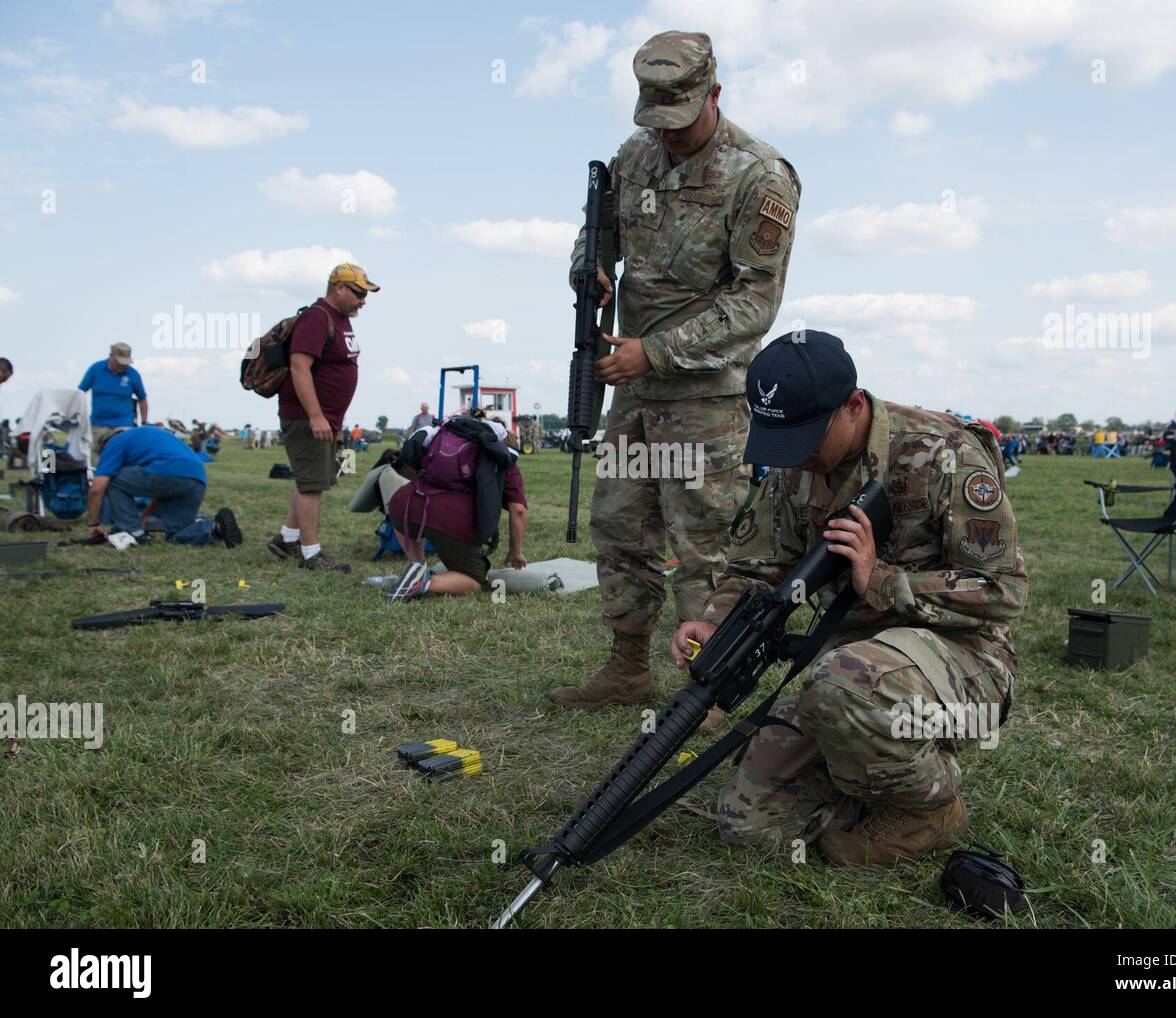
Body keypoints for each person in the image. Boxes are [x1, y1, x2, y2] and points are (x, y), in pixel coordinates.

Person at [670, 331, 1027, 866]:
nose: (797, 458)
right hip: (845, 664)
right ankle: (866, 768)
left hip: (964, 658)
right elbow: (757, 565)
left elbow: (1004, 591)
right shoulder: (797, 464)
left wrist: (880, 578)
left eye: (808, 438)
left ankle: (930, 806)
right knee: (749, 821)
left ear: (854, 405)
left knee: (845, 684)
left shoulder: (945, 455)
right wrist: (716, 622)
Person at [550, 30, 802, 711]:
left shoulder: (760, 176)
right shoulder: (633, 157)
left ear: (713, 95)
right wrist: (591, 271)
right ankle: (628, 667)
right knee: (621, 529)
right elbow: (595, 236)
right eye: (654, 119)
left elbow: (754, 301)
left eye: (679, 120)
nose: (666, 135)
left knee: (706, 546)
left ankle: (712, 685)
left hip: (707, 397)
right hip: (633, 392)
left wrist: (654, 352)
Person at [266, 262, 378, 572]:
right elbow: (299, 367)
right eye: (358, 293)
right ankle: (310, 554)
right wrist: (315, 416)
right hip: (306, 418)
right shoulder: (317, 318)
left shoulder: (339, 319)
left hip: (327, 418)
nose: (363, 300)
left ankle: (286, 539)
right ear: (339, 288)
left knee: (309, 480)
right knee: (311, 485)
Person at [384, 415, 528, 601]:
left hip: (403, 504)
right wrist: (515, 550)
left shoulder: (444, 441)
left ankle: (416, 566)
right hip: (450, 520)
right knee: (475, 580)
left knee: (411, 518)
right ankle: (423, 583)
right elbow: (518, 511)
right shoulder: (503, 461)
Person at [86, 426, 241, 547]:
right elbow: (162, 487)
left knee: (112, 481)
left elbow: (97, 488)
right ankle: (215, 528)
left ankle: (132, 533)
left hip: (169, 475)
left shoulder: (114, 443)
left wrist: (94, 524)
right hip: (197, 478)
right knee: (176, 534)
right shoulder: (147, 436)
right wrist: (146, 515)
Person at [78, 343, 147, 456]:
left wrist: (144, 422)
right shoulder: (95, 369)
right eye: (119, 363)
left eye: (125, 363)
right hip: (98, 424)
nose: (122, 366)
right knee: (96, 457)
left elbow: (142, 399)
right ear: (111, 356)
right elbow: (80, 393)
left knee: (121, 457)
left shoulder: (133, 374)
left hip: (123, 424)